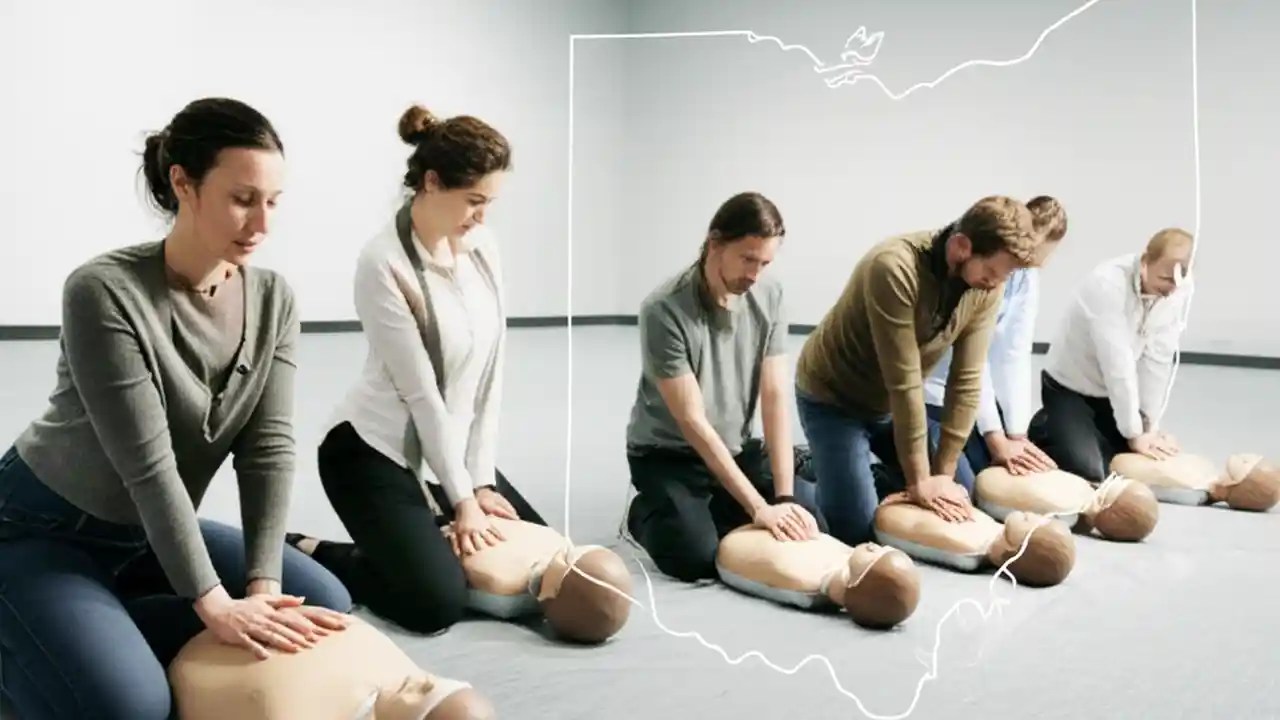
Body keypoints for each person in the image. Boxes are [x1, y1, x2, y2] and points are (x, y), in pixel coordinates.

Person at [0, 97, 353, 720]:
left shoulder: (274, 298)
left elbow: (269, 451)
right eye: (242, 198)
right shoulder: (103, 290)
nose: (262, 223)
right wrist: (214, 602)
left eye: (273, 200)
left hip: (143, 537)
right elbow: (149, 465)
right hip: (44, 532)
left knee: (323, 602)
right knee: (129, 708)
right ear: (182, 183)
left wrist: (262, 589)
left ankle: (93, 626)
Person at [285, 104, 545, 636]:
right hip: (370, 454)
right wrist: (461, 504)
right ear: (431, 182)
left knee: (532, 553)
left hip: (441, 456)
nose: (482, 216)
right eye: (474, 201)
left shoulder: (484, 249)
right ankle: (325, 553)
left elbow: (488, 380)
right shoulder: (382, 263)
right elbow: (422, 395)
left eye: (490, 203)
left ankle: (415, 537)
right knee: (433, 605)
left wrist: (480, 484)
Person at [794, 195, 1042, 547]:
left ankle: (855, 474)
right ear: (961, 247)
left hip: (889, 409)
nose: (994, 282)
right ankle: (799, 476)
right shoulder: (894, 267)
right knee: (857, 529)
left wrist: (940, 476)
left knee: (960, 492)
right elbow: (904, 381)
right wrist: (919, 481)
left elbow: (967, 379)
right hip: (835, 400)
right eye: (989, 272)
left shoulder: (989, 286)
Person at [623, 191, 825, 583]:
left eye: (764, 262)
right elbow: (692, 421)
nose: (754, 274)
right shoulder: (664, 309)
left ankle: (720, 504)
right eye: (747, 259)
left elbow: (774, 397)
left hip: (734, 448)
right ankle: (644, 513)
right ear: (715, 243)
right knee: (695, 557)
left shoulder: (770, 295)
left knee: (813, 519)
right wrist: (758, 508)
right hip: (669, 454)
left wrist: (783, 498)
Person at [1027, 227, 1194, 483]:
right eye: (1164, 279)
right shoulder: (1106, 284)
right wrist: (1133, 433)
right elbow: (1118, 364)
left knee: (1135, 456)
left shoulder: (1180, 288)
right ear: (1145, 263)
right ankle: (1047, 425)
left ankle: (1086, 432)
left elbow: (1159, 359)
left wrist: (1149, 426)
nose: (1171, 290)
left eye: (1177, 282)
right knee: (1089, 472)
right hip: (1070, 388)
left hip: (1109, 395)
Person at [921, 196, 1069, 484]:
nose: (1024, 267)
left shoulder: (1026, 276)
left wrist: (1017, 433)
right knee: (970, 483)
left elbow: (1014, 352)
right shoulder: (979, 273)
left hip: (972, 397)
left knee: (999, 469)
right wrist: (995, 436)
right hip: (935, 393)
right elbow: (971, 363)